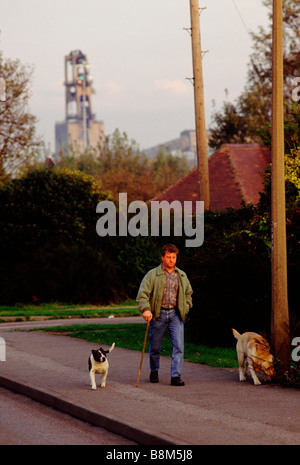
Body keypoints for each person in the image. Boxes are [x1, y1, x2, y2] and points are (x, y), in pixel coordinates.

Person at [136, 244, 193, 386]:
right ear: (162, 257)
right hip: (158, 314)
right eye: (168, 257)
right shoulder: (152, 274)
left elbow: (188, 294)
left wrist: (186, 305)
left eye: (174, 257)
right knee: (155, 347)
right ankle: (154, 371)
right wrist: (146, 309)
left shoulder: (181, 275)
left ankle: (175, 376)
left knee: (179, 345)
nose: (171, 260)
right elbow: (142, 295)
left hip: (176, 314)